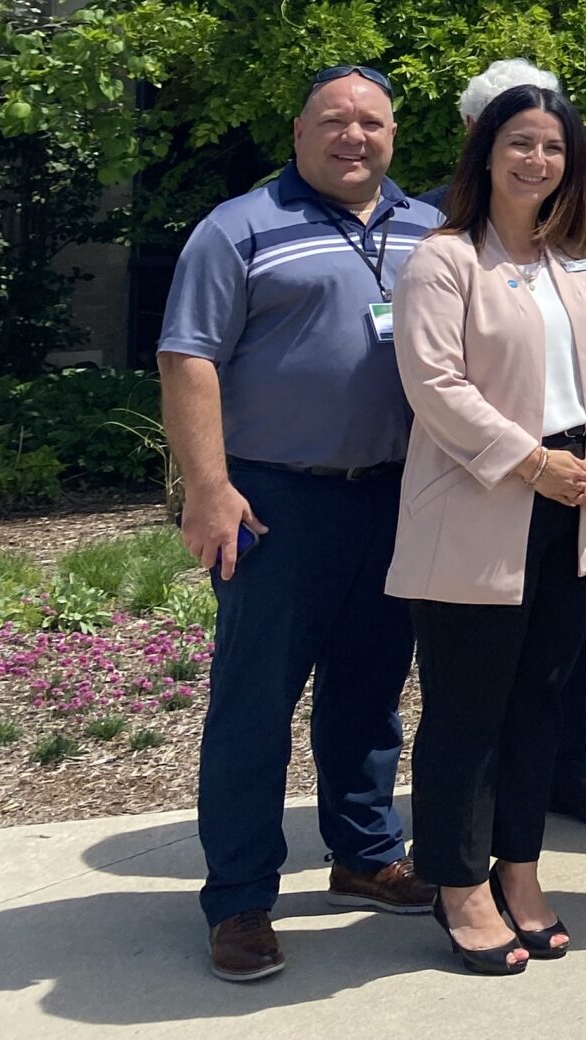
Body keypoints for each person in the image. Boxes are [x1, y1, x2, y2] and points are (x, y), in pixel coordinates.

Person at [158, 65, 442, 984]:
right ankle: (240, 898)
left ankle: (364, 855)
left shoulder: (429, 229)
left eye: (371, 122)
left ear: (394, 134)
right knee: (255, 703)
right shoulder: (236, 228)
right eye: (334, 120)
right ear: (298, 129)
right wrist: (208, 488)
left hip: (399, 495)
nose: (353, 137)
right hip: (275, 501)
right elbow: (188, 359)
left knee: (369, 691)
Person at [390, 84, 586, 974]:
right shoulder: (443, 259)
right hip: (482, 501)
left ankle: (520, 870)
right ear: (486, 153)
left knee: (543, 698)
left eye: (553, 148)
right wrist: (533, 461)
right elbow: (436, 386)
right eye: (521, 144)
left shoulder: (583, 259)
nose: (538, 161)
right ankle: (459, 887)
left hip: (577, 502)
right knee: (468, 710)